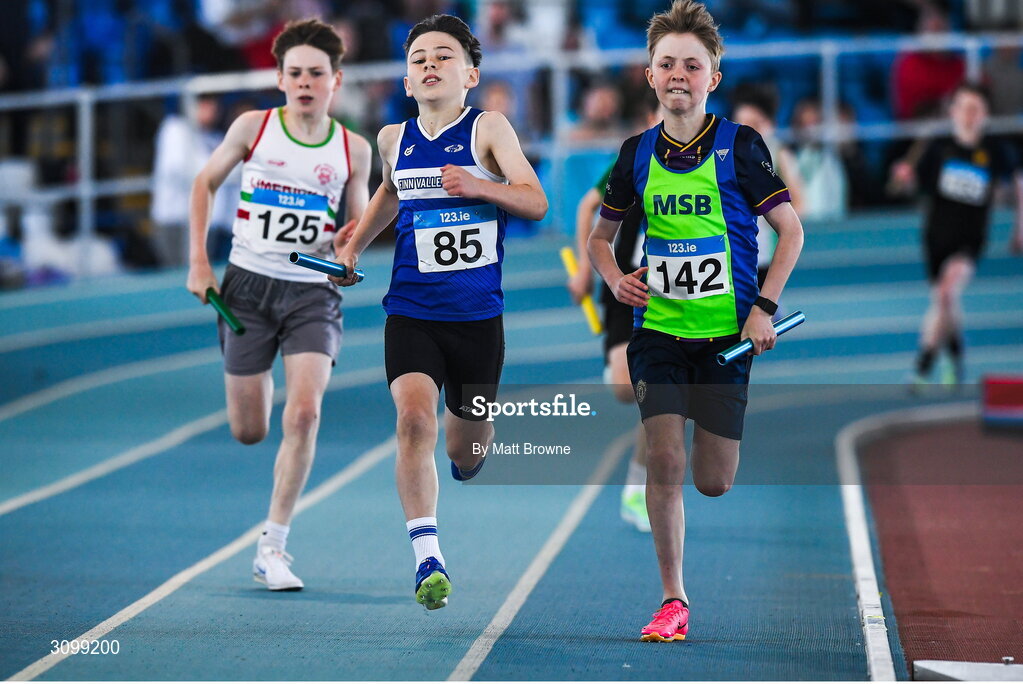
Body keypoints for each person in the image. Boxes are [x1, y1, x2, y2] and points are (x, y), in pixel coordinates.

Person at [587, 0, 803, 642]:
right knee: (663, 461)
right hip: (657, 335)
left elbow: (790, 233)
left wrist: (762, 309)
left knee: (713, 481)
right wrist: (612, 277)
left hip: (726, 343)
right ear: (649, 76)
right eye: (665, 64)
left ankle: (682, 563)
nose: (677, 74)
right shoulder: (634, 154)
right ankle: (673, 599)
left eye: (691, 64)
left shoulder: (742, 147)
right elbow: (601, 238)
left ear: (713, 77)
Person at [331, 14, 547, 611]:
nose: (430, 65)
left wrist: (481, 187)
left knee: (463, 447)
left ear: (471, 74)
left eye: (443, 56)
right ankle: (427, 554)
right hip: (412, 310)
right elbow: (390, 192)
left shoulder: (488, 130)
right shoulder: (392, 139)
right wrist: (351, 249)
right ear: (406, 78)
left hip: (477, 319)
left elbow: (534, 201)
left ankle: (471, 448)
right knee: (413, 422)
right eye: (419, 57)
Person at [186, 18, 372, 591]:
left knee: (306, 412)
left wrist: (349, 253)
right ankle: (258, 389)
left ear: (335, 80)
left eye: (317, 73)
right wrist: (198, 259)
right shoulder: (253, 128)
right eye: (295, 73)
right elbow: (203, 184)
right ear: (280, 77)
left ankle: (274, 546)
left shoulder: (353, 150)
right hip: (246, 289)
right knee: (249, 429)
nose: (305, 83)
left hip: (311, 294)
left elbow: (356, 226)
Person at [568, 99, 662, 534]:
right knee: (628, 388)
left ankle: (638, 487)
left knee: (656, 392)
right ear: (649, 119)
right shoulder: (634, 157)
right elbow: (588, 206)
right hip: (626, 286)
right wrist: (588, 267)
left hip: (677, 297)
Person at [889, 82, 1023, 388]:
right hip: (936, 237)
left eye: (976, 109)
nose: (969, 115)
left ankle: (923, 366)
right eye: (963, 107)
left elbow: (1017, 179)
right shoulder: (936, 147)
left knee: (948, 292)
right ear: (953, 111)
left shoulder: (993, 150)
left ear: (986, 114)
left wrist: (1020, 226)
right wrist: (904, 178)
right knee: (944, 301)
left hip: (970, 239)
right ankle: (955, 351)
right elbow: (911, 186)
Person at [731, 85, 804, 292]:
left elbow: (800, 204)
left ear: (770, 125)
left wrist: (771, 218)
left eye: (754, 124)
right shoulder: (725, 156)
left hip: (763, 250)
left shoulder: (778, 154)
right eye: (740, 123)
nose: (746, 130)